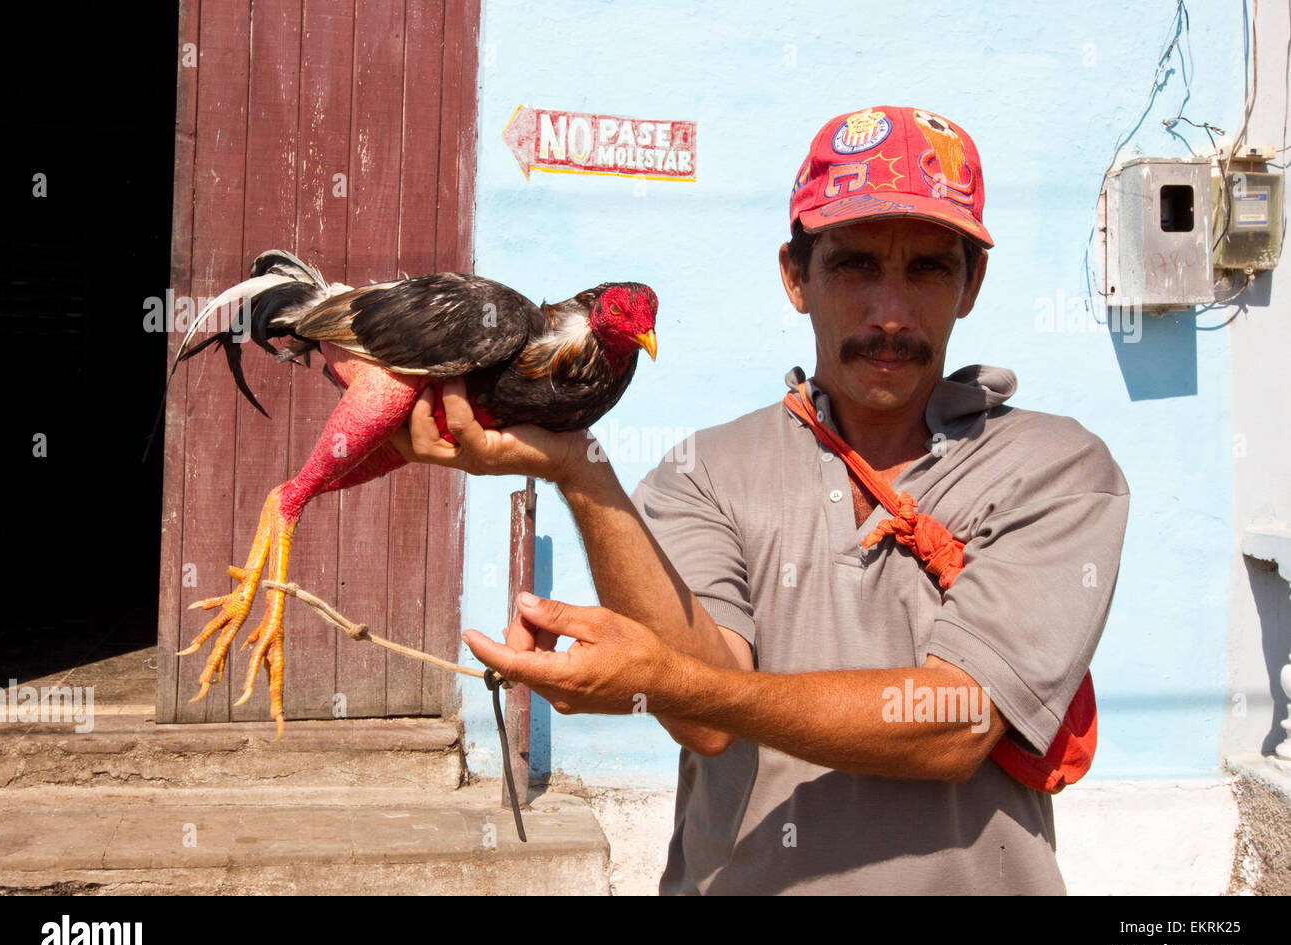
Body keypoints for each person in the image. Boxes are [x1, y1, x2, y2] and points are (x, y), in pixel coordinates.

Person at [390, 105, 1130, 895]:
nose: (890, 312)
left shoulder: (1055, 468)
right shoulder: (705, 470)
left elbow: (955, 725)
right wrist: (580, 467)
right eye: (853, 266)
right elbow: (704, 719)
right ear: (795, 277)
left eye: (927, 268)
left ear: (971, 283)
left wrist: (667, 678)